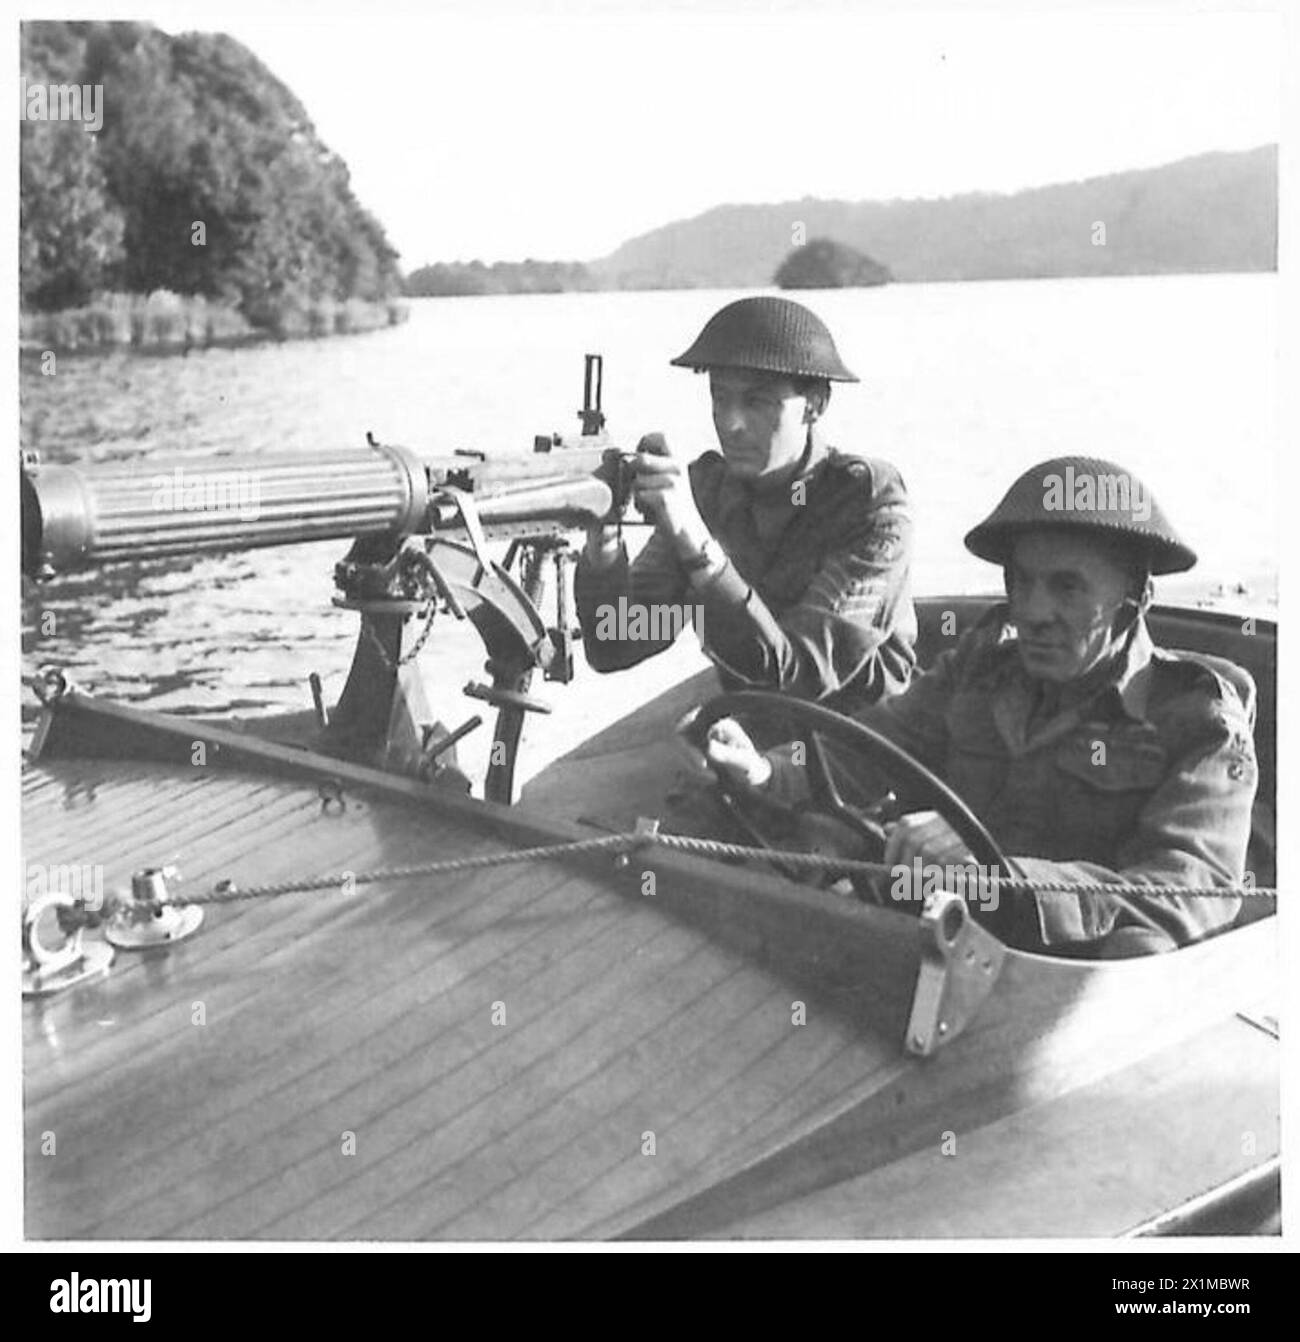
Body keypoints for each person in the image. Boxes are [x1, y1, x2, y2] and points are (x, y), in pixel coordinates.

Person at [703, 457, 1258, 958]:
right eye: (1022, 582)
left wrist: (997, 877)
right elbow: (869, 750)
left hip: (1059, 988)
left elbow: (1190, 891)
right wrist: (767, 769)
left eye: (1067, 588)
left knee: (1144, 948)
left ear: (1134, 601)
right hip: (937, 943)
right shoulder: (981, 669)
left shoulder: (1197, 720)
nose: (1033, 611)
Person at [574, 296, 917, 712]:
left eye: (758, 402)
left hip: (867, 743)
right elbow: (619, 642)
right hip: (751, 732)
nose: (731, 423)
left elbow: (799, 676)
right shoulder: (712, 495)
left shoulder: (869, 504)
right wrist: (604, 543)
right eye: (720, 398)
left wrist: (698, 549)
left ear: (816, 404)